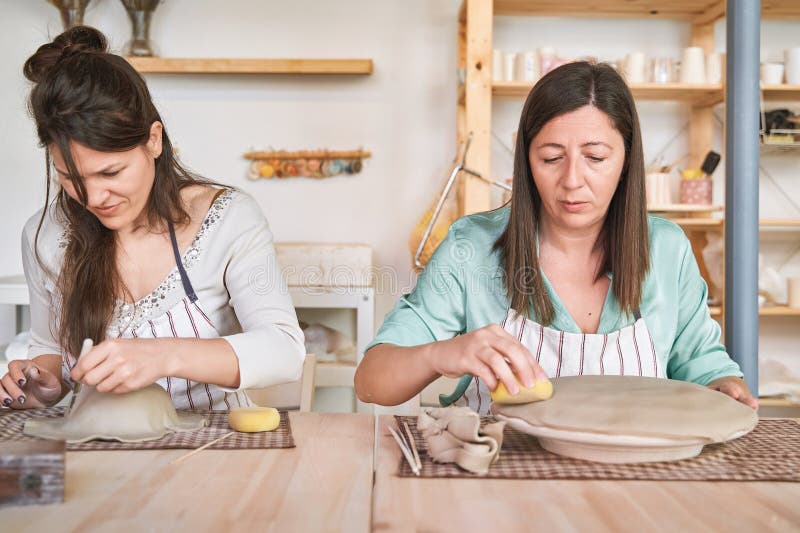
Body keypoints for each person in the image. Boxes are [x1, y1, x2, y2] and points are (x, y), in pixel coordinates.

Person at [355, 61, 757, 414]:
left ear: (627, 160)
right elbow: (371, 382)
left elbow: (706, 367)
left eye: (595, 158)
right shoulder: (471, 248)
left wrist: (726, 389)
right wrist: (440, 354)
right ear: (526, 161)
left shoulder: (667, 249)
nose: (572, 181)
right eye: (550, 158)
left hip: (635, 485)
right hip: (499, 485)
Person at [0, 26, 305, 411]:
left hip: (211, 451)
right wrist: (44, 384)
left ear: (154, 140)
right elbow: (48, 349)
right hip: (97, 451)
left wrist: (164, 355)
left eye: (111, 173)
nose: (93, 197)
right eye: (71, 178)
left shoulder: (227, 218)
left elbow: (284, 350)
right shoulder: (44, 235)